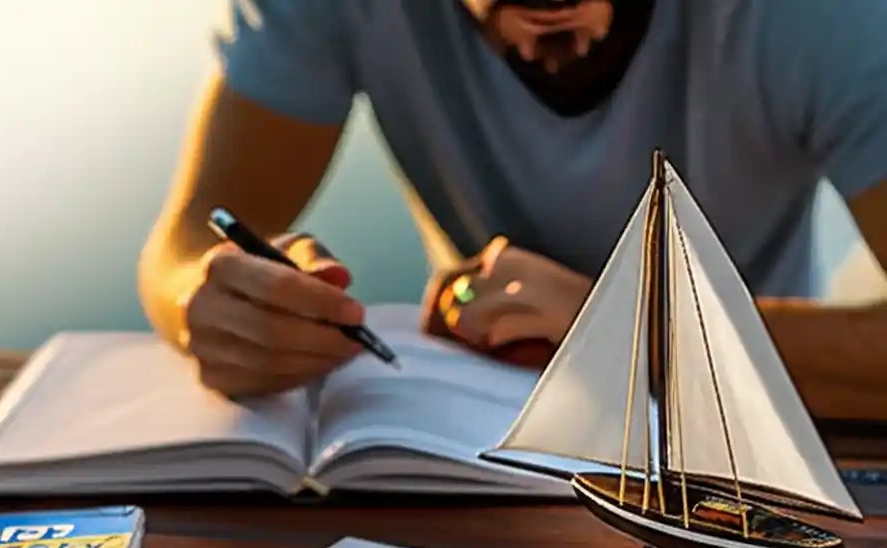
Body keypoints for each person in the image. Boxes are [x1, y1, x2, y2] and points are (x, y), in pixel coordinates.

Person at [137, 0, 887, 418]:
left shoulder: (825, 19)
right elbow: (189, 241)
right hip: (466, 437)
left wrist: (627, 328)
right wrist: (215, 301)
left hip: (739, 435)